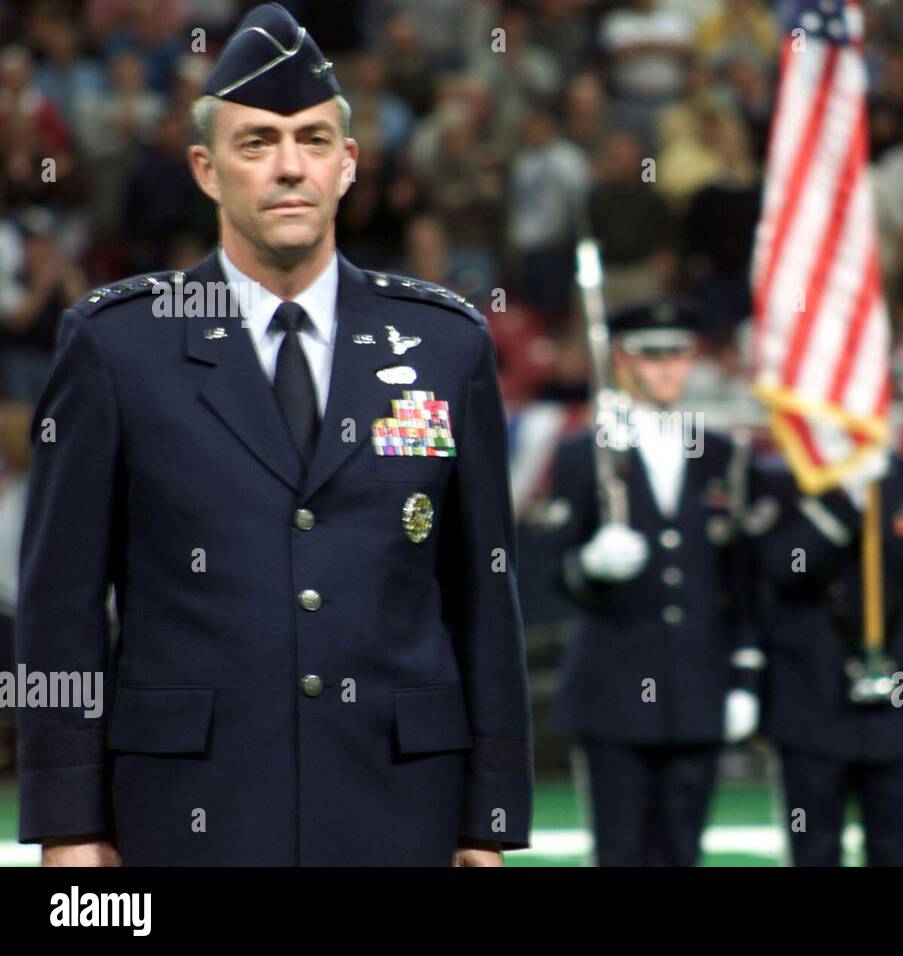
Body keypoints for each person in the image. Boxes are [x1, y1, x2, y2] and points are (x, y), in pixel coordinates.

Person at [16, 3, 532, 867]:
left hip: (401, 808)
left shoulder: (448, 345)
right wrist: (69, 826)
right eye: (257, 143)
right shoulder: (118, 344)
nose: (289, 167)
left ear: (349, 165)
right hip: (187, 813)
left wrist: (491, 821)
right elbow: (60, 604)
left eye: (314, 141)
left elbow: (485, 599)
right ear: (206, 169)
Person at [542, 299, 761, 866]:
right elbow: (548, 572)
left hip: (697, 683)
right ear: (623, 360)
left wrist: (744, 675)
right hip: (614, 686)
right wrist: (589, 566)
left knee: (682, 849)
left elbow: (740, 579)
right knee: (619, 850)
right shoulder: (585, 453)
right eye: (652, 356)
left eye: (679, 354)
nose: (667, 369)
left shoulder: (722, 456)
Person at [749, 447, 903, 866]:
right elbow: (782, 569)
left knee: (896, 852)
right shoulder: (784, 480)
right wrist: (844, 502)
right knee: (812, 851)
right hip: (811, 705)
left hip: (902, 706)